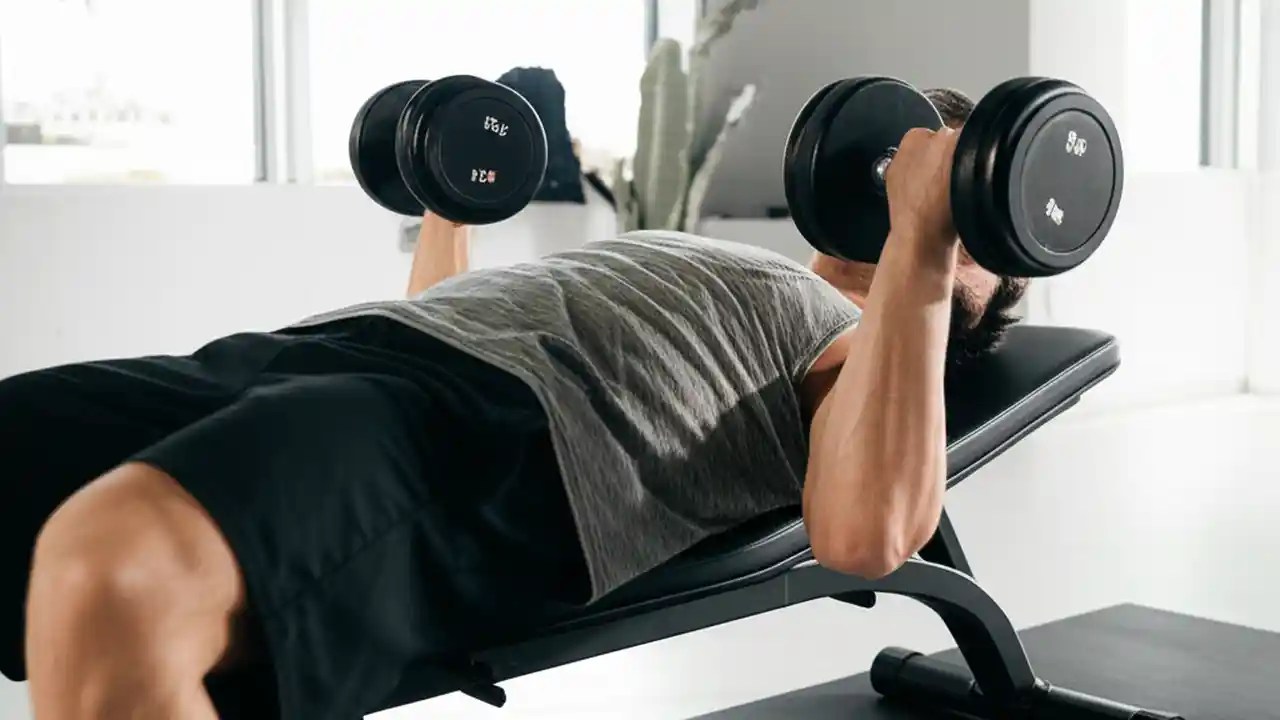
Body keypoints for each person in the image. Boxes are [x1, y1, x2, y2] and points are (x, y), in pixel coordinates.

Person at [0, 89, 1027, 719]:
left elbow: (865, 530)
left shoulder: (859, 345)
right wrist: (452, 199)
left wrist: (925, 257)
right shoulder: (736, 266)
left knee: (120, 571)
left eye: (952, 204)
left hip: (493, 441)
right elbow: (450, 313)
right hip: (341, 354)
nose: (912, 194)